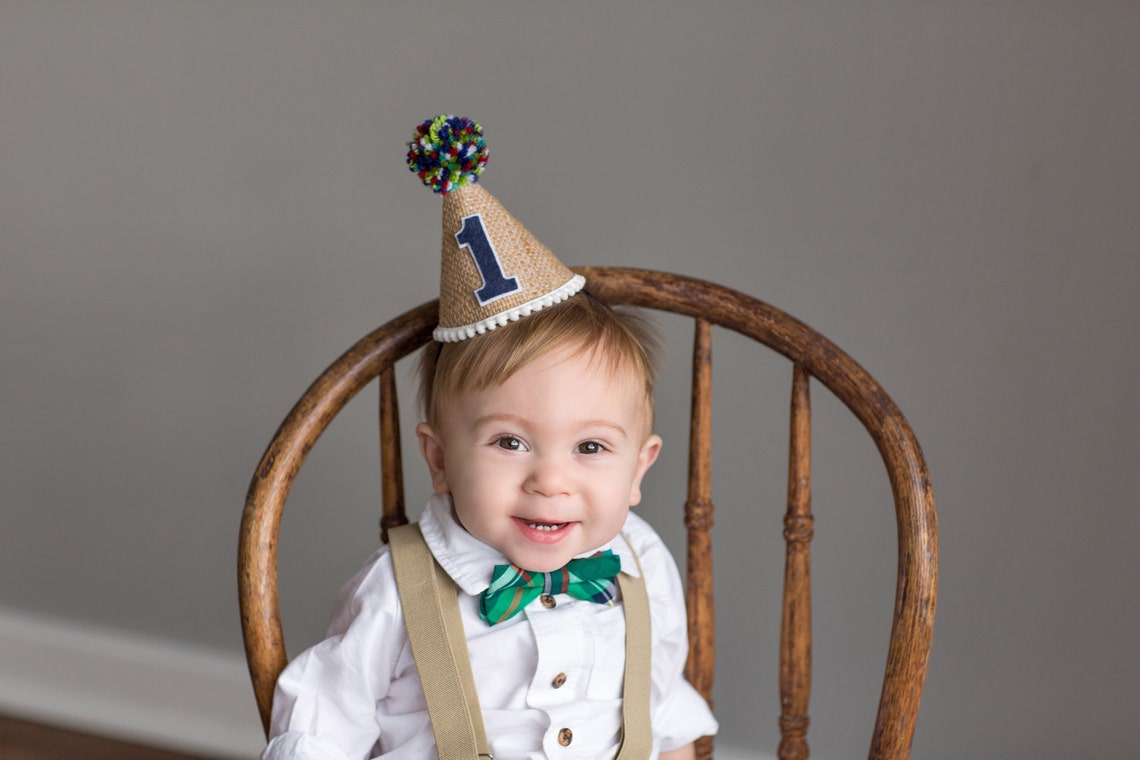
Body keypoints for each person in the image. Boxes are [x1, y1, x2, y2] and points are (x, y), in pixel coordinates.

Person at [261, 115, 717, 760]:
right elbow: (322, 727)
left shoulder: (643, 566)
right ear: (440, 460)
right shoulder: (398, 587)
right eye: (510, 442)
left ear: (640, 469)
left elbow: (661, 708)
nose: (550, 480)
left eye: (590, 448)